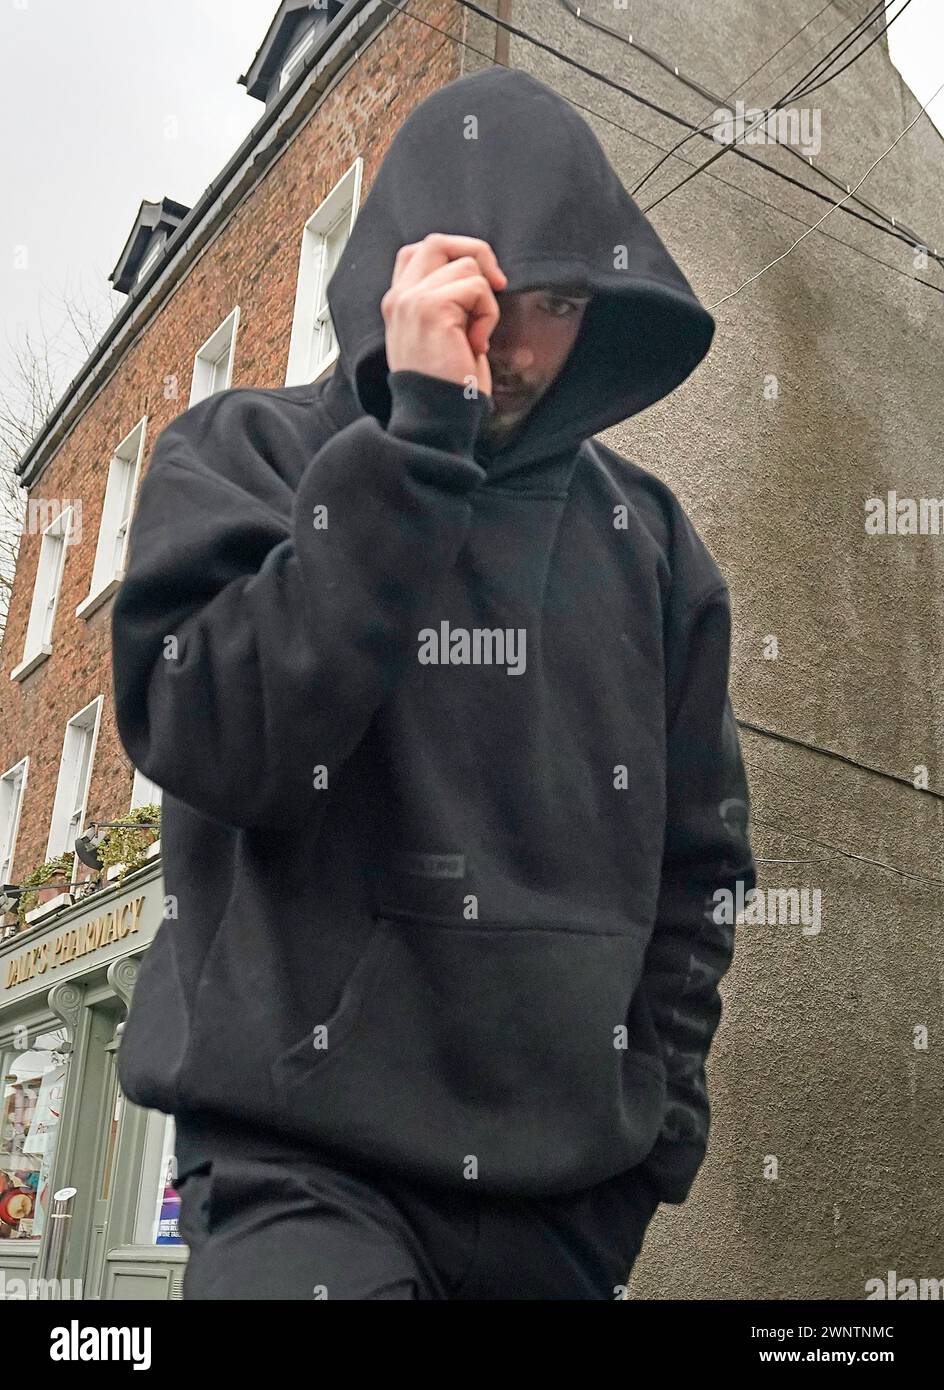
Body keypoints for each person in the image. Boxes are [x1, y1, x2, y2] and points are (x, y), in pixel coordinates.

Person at [110, 65, 756, 1300]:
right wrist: (413, 452)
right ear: (401, 278)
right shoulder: (245, 454)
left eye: (557, 302)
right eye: (480, 291)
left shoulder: (655, 548)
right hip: (298, 1175)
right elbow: (219, 739)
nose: (513, 345)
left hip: (560, 1210)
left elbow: (701, 861)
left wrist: (652, 1144)